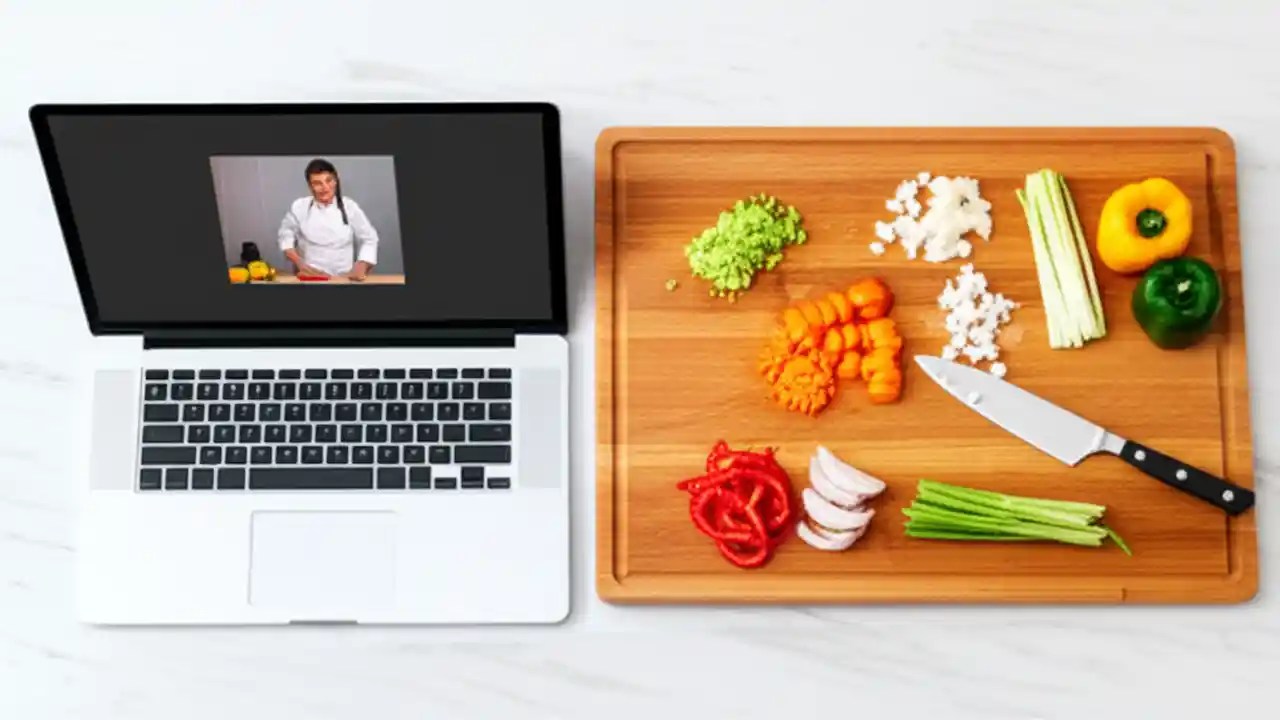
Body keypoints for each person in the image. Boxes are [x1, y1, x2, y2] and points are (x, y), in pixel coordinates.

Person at [277, 158, 379, 281]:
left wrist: (362, 264)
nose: (325, 187)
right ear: (310, 187)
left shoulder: (350, 207)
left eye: (328, 180)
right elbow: (285, 236)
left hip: (344, 277)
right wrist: (299, 263)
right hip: (310, 277)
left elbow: (370, 238)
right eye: (317, 183)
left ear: (336, 181)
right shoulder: (299, 207)